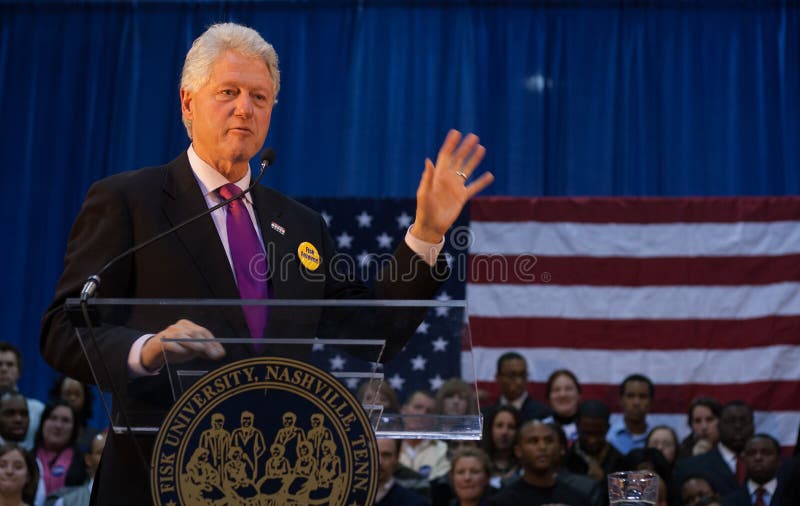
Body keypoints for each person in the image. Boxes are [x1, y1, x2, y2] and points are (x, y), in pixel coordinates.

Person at [39, 22, 493, 505]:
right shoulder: (130, 201)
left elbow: (377, 329)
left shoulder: (300, 225)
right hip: (157, 476)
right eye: (228, 92)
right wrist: (147, 348)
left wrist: (426, 232)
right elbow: (64, 330)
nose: (244, 108)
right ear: (188, 102)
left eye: (260, 97)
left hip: (271, 483)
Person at [486, 420, 590, 506]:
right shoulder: (501, 502)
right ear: (518, 451)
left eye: (549, 441)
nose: (542, 447)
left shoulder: (578, 499)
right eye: (534, 441)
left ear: (561, 449)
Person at [672, 401, 755, 501]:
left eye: (743, 421)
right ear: (719, 425)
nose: (738, 426)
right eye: (731, 421)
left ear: (753, 426)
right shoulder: (689, 467)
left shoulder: (772, 465)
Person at [33, 402, 86, 497]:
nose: (58, 425)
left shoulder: (84, 462)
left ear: (74, 428)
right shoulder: (27, 457)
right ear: (43, 422)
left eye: (65, 421)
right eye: (53, 418)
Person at [563, 400, 624, 482]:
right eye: (587, 433)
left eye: (598, 434)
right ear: (577, 426)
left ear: (608, 428)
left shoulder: (619, 462)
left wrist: (604, 481)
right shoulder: (565, 459)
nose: (592, 440)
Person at [0, 344, 44, 450]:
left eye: (10, 365)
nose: (4, 369)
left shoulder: (37, 409)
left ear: (19, 372)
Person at [482, 353, 549, 422]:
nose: (519, 381)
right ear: (498, 378)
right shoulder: (485, 416)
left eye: (523, 375)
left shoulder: (543, 415)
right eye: (511, 375)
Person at [45, 432, 107, 506]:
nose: (110, 456)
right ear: (88, 460)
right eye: (102, 452)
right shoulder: (67, 502)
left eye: (114, 452)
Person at [399, 391, 450, 481]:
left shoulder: (442, 449)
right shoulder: (388, 446)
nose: (422, 413)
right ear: (404, 410)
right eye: (417, 407)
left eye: (429, 411)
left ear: (433, 419)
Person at [722, 433, 784, 506]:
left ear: (779, 460)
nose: (758, 458)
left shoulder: (794, 498)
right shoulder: (727, 502)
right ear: (744, 460)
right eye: (751, 453)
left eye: (766, 453)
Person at [47, 378, 99, 455]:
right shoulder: (50, 431)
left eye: (77, 394)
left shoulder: (93, 436)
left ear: (85, 398)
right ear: (58, 396)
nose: (72, 398)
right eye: (67, 394)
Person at [607, 373, 655, 455]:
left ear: (651, 402)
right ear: (621, 401)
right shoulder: (608, 437)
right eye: (630, 396)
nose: (636, 403)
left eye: (643, 396)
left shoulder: (657, 439)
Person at [375, 438, 428, 506]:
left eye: (386, 455)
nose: (379, 462)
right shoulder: (357, 497)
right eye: (373, 453)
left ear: (397, 458)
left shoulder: (415, 503)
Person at [480, 405, 521, 488]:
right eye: (499, 425)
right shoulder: (479, 463)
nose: (504, 432)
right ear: (490, 429)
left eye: (511, 427)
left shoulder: (525, 467)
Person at [541, 369, 581, 443]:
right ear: (548, 397)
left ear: (578, 394)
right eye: (556, 390)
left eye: (568, 389)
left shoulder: (590, 428)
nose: (563, 395)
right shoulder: (540, 428)